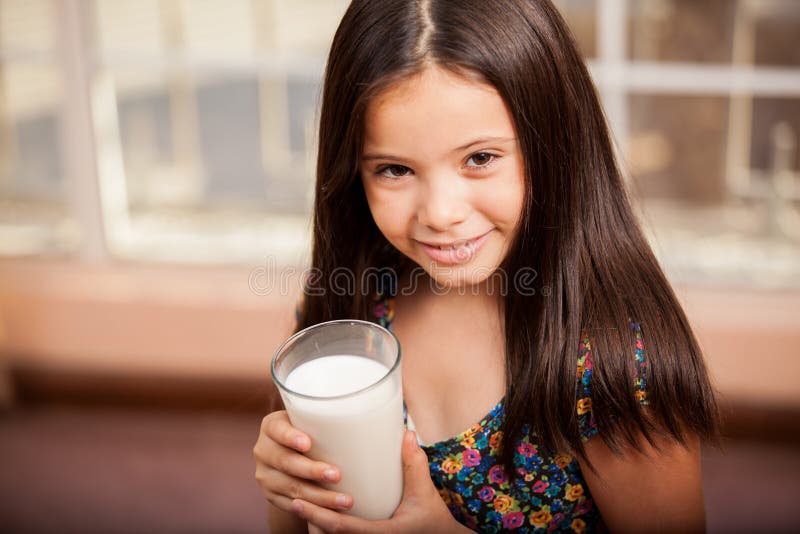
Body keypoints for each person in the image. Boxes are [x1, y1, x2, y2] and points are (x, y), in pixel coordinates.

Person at [253, 0, 719, 532]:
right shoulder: (354, 303)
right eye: (394, 169)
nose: (440, 213)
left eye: (479, 158)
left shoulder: (612, 363)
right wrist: (288, 486)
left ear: (555, 144)